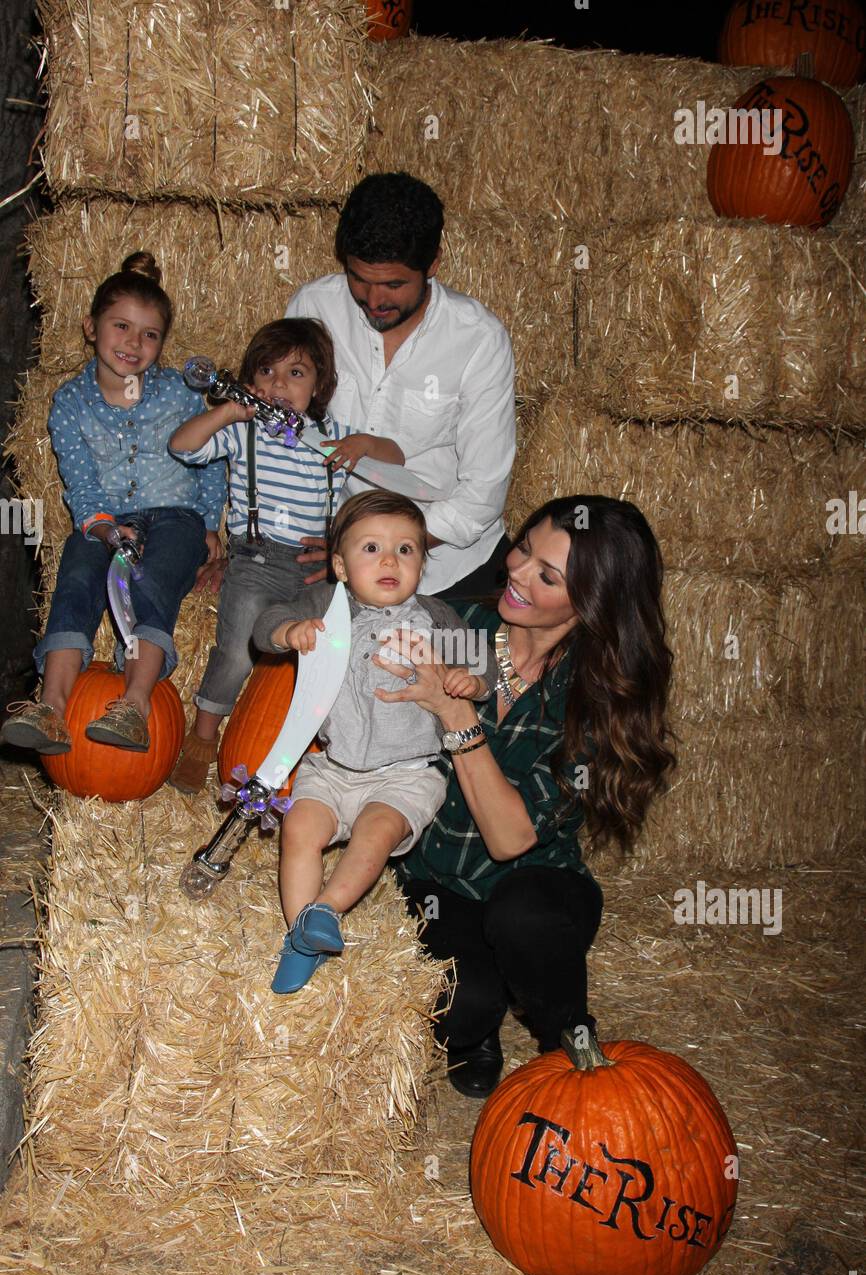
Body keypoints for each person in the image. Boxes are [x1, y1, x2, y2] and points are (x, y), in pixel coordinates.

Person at [376, 495, 676, 1098]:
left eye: (547, 575)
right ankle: (481, 1020)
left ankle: (570, 1039)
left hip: (534, 878)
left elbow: (511, 838)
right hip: (437, 878)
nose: (515, 572)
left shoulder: (598, 700)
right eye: (523, 548)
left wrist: (456, 714)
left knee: (525, 919)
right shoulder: (450, 627)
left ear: (592, 603)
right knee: (463, 1009)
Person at [252, 490, 495, 995]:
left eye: (406, 550)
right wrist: (289, 632)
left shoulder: (438, 619)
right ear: (339, 565)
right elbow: (263, 626)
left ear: (423, 565)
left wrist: (470, 682)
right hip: (333, 765)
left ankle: (324, 911)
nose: (390, 560)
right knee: (299, 827)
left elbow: (484, 666)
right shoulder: (326, 605)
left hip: (406, 773)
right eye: (371, 549)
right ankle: (301, 936)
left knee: (375, 834)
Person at [166, 317, 405, 794]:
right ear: (250, 381)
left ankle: (326, 752)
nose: (278, 384)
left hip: (317, 571)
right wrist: (228, 413)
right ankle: (202, 738)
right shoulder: (244, 431)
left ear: (320, 384)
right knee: (236, 651)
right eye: (266, 372)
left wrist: (365, 444)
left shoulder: (331, 434)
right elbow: (182, 445)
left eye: (295, 373)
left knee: (330, 653)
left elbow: (396, 459)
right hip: (256, 560)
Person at [0, 251, 224, 755]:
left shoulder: (180, 395)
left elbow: (212, 460)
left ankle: (135, 704)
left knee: (154, 581)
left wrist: (209, 524)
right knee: (78, 576)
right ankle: (52, 706)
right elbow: (80, 484)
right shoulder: (71, 402)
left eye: (149, 334)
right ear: (90, 327)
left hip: (175, 518)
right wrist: (100, 528)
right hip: (105, 519)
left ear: (162, 345)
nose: (133, 343)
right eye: (121, 326)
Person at [285, 172, 516, 602]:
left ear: (432, 265)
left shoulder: (478, 338)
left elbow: (483, 494)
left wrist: (385, 549)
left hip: (450, 562)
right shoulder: (313, 308)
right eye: (359, 279)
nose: (374, 300)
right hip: (337, 558)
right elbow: (284, 435)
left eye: (393, 285)